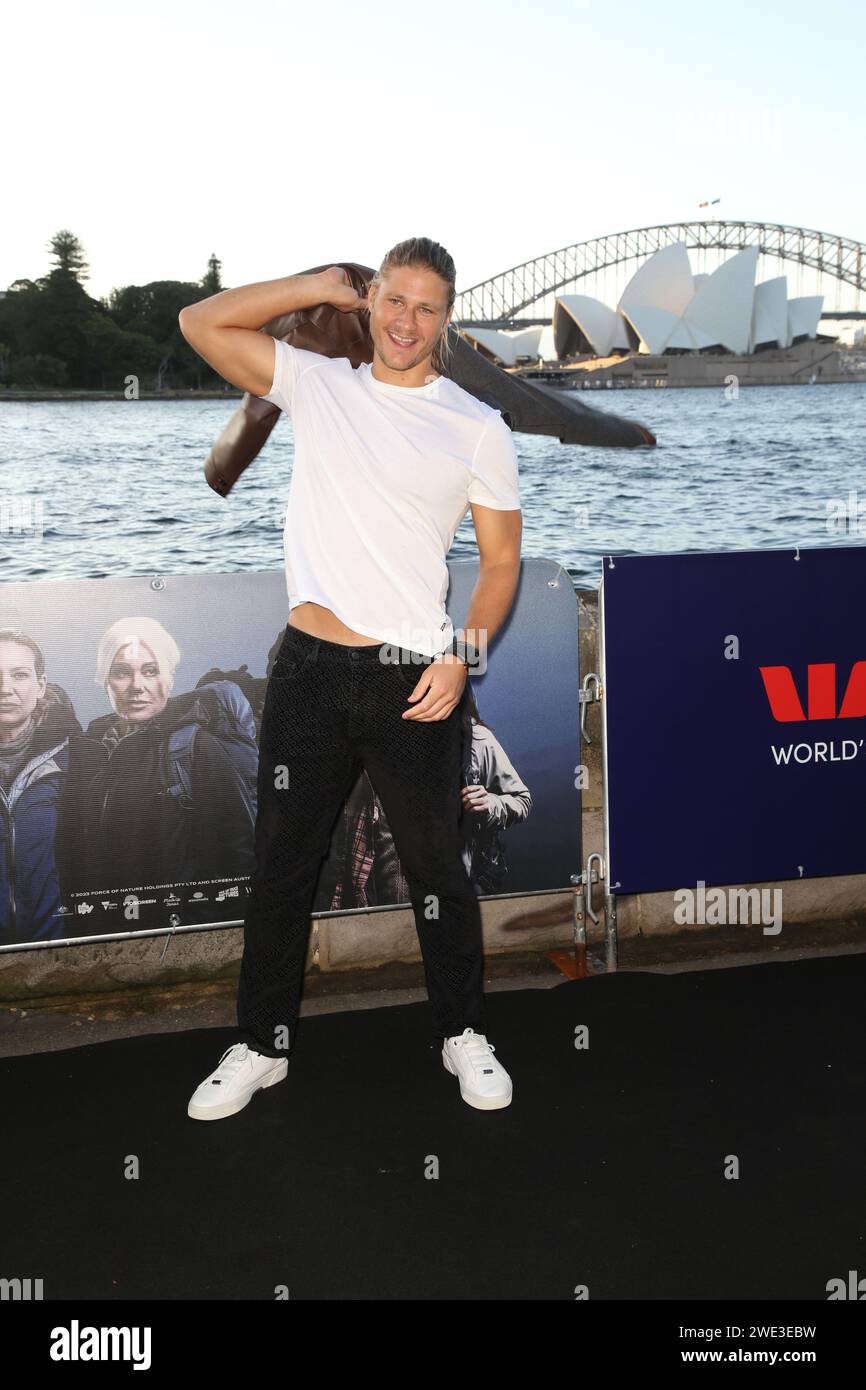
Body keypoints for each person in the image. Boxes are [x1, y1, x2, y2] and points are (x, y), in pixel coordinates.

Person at [179, 237, 522, 1119]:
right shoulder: (315, 381)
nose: (407, 321)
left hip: (417, 674)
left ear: (448, 320)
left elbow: (500, 563)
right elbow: (200, 321)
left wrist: (463, 655)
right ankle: (261, 1045)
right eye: (393, 300)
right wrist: (311, 286)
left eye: (427, 307)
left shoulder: (475, 425)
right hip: (309, 672)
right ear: (371, 305)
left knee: (437, 870)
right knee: (282, 868)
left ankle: (462, 1032)